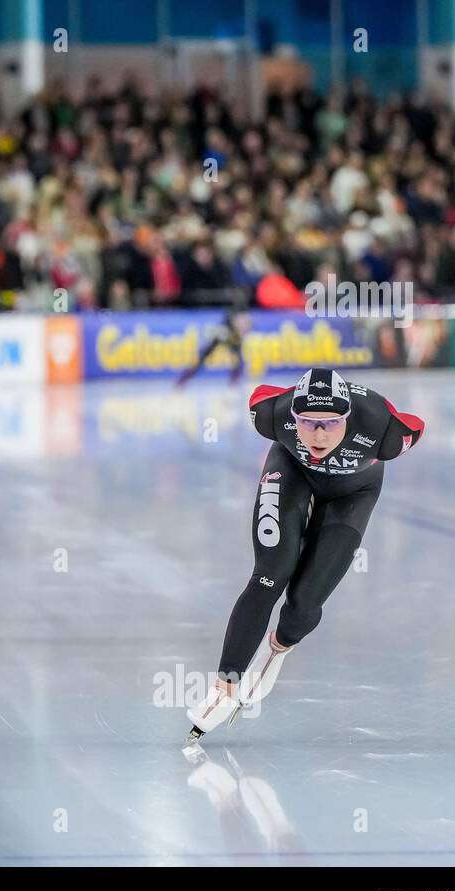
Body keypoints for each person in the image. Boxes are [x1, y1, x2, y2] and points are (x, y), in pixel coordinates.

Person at [186, 368, 425, 739]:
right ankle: (225, 686)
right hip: (292, 474)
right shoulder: (271, 414)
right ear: (293, 416)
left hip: (352, 494)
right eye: (308, 422)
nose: (318, 434)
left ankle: (276, 648)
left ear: (349, 418)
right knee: (270, 573)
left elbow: (416, 422)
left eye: (330, 424)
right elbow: (263, 392)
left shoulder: (388, 431)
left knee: (305, 601)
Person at [176, 309, 251, 387]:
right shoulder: (225, 327)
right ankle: (182, 380)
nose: (243, 331)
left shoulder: (244, 325)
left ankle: (235, 382)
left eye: (244, 329)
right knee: (200, 360)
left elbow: (241, 337)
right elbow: (213, 337)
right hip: (218, 338)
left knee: (239, 360)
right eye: (241, 329)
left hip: (231, 339)